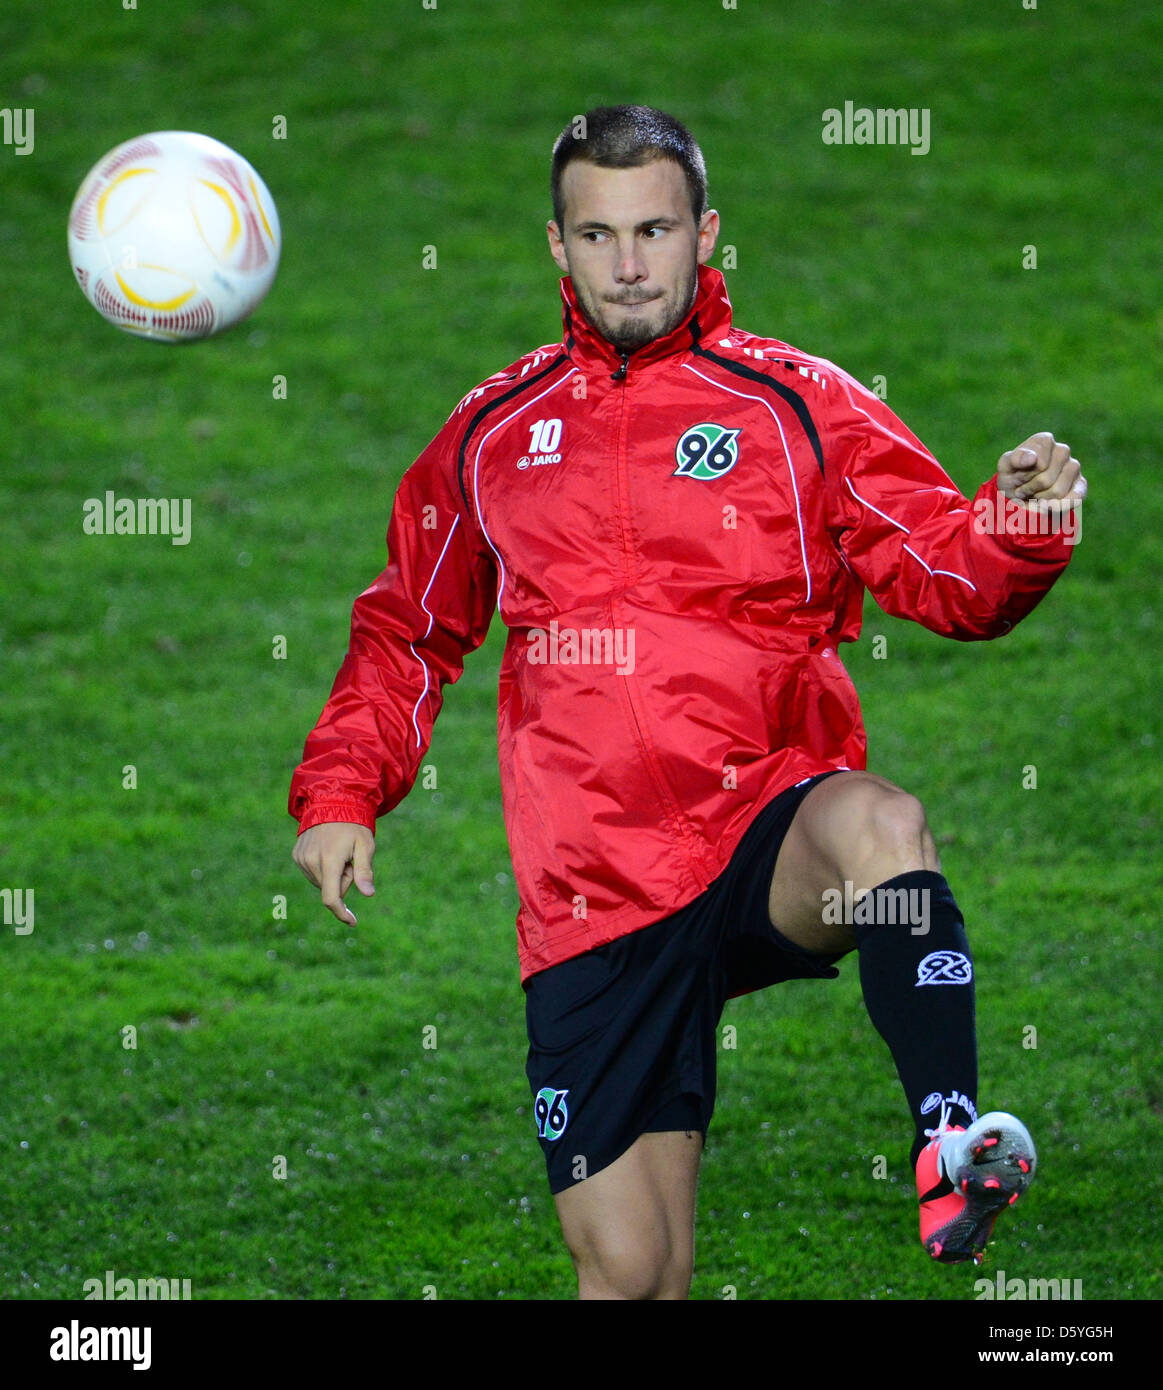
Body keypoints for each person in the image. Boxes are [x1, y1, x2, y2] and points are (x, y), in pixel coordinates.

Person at [289, 105, 1085, 1300]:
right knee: (637, 1271)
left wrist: (1018, 521)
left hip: (758, 827)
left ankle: (949, 1138)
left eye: (652, 229)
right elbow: (408, 625)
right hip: (591, 893)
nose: (626, 263)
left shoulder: (794, 406)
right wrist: (344, 792)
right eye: (596, 234)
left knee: (879, 823)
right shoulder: (490, 436)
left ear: (703, 233)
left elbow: (949, 576)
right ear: (556, 249)